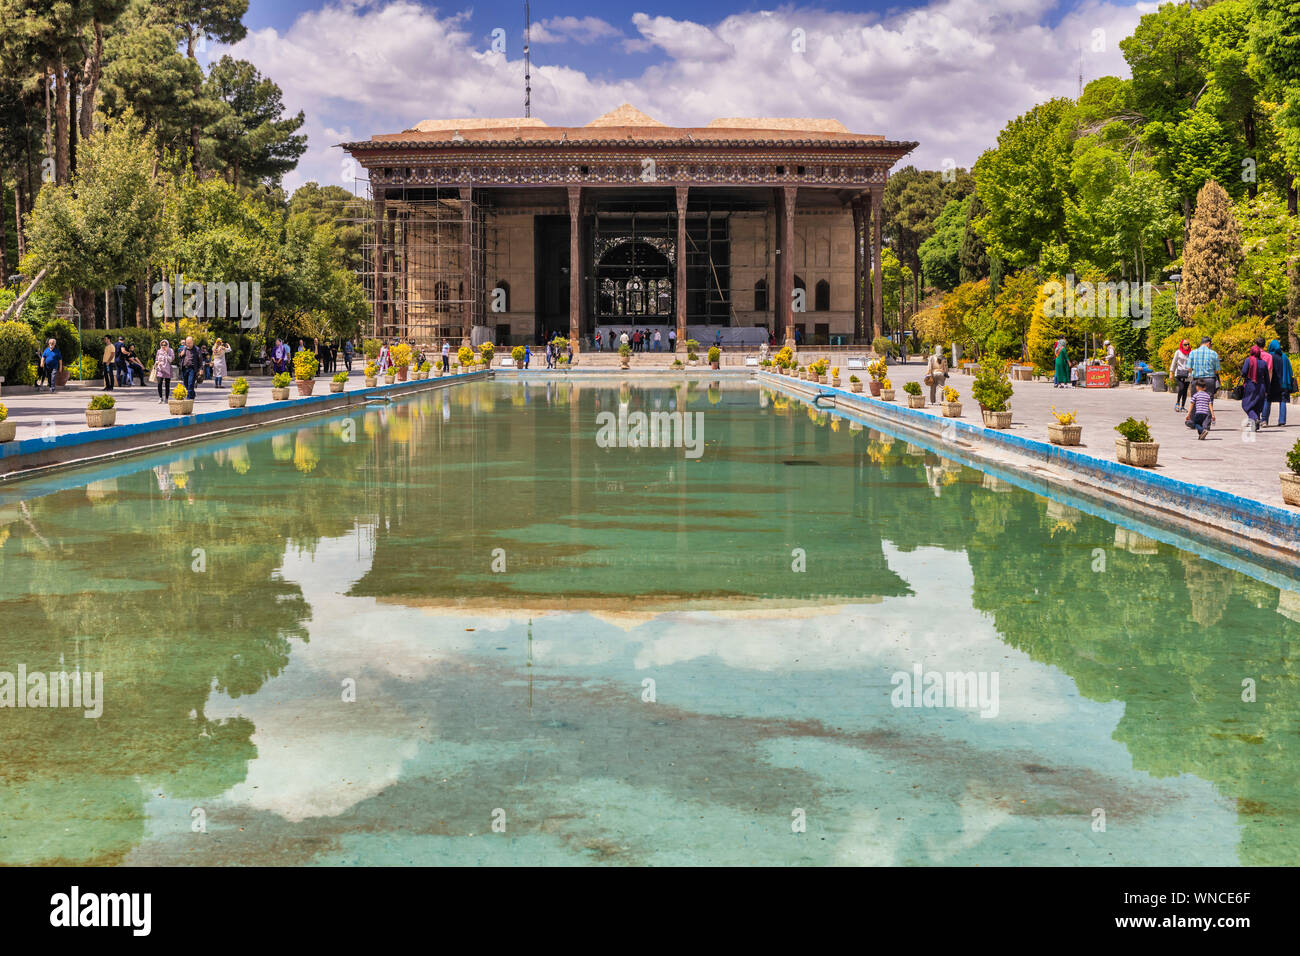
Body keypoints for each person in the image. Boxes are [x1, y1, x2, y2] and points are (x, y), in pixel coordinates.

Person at [1264, 339, 1293, 427]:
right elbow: (1290, 371)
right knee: (1282, 401)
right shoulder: (1284, 357)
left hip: (1272, 384)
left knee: (1267, 400)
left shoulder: (1269, 356)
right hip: (1283, 384)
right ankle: (1282, 421)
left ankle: (1264, 420)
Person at [1241, 343, 1270, 431]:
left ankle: (1255, 419)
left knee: (1246, 405)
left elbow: (1243, 372)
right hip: (1261, 386)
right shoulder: (1263, 363)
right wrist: (1267, 389)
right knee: (1257, 405)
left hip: (1250, 385)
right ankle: (1255, 426)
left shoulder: (1248, 360)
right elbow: (1267, 377)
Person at [1169, 338, 1192, 411]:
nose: (1187, 346)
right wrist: (1171, 372)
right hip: (1179, 373)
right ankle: (1178, 402)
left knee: (1185, 390)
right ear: (1182, 345)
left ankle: (1183, 406)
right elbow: (1174, 362)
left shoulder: (1190, 353)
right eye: (1185, 344)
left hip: (1188, 375)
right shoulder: (1178, 352)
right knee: (1181, 388)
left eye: (1188, 344)